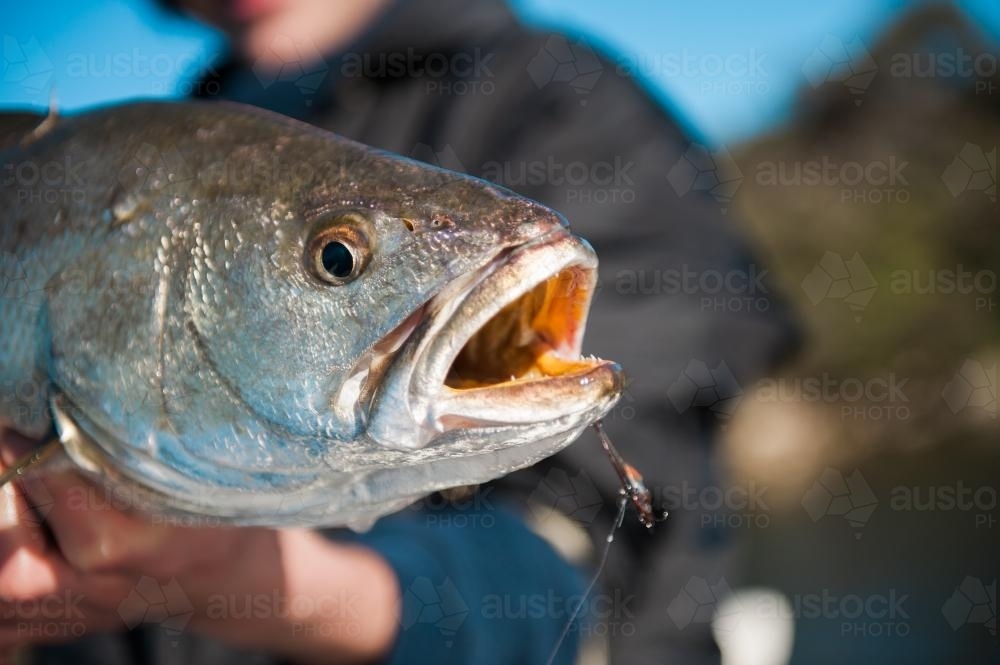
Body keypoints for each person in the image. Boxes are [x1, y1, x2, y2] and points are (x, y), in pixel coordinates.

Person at [2, 0, 798, 663]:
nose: (342, 262)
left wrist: (223, 577)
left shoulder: (555, 96)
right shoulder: (167, 134)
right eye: (340, 258)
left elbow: (579, 562)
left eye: (335, 256)